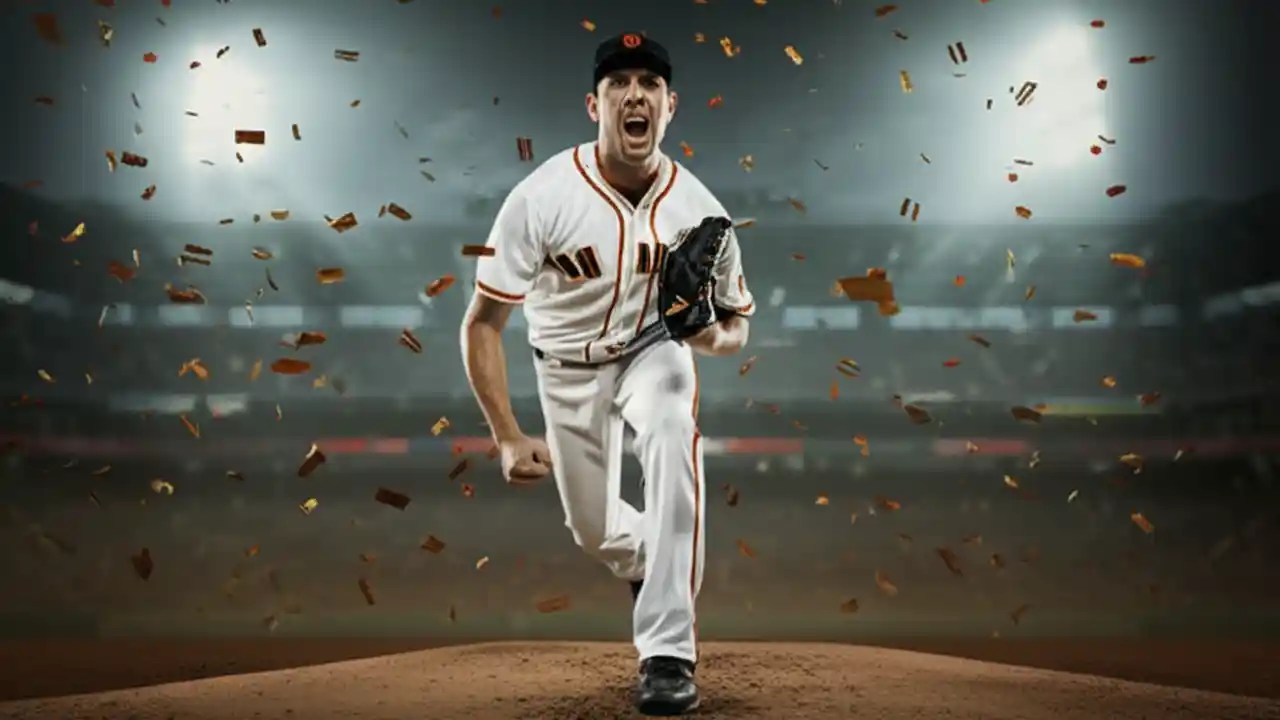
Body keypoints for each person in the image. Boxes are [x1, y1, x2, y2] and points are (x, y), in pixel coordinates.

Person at [459, 31, 754, 716]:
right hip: (562, 366)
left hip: (654, 350)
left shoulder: (702, 211)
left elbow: (736, 330)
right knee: (591, 530)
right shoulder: (542, 197)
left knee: (673, 433)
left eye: (649, 84)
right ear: (594, 105)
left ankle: (668, 653)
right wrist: (505, 434)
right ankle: (654, 567)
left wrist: (704, 330)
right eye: (618, 82)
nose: (634, 94)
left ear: (670, 105)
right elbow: (482, 323)